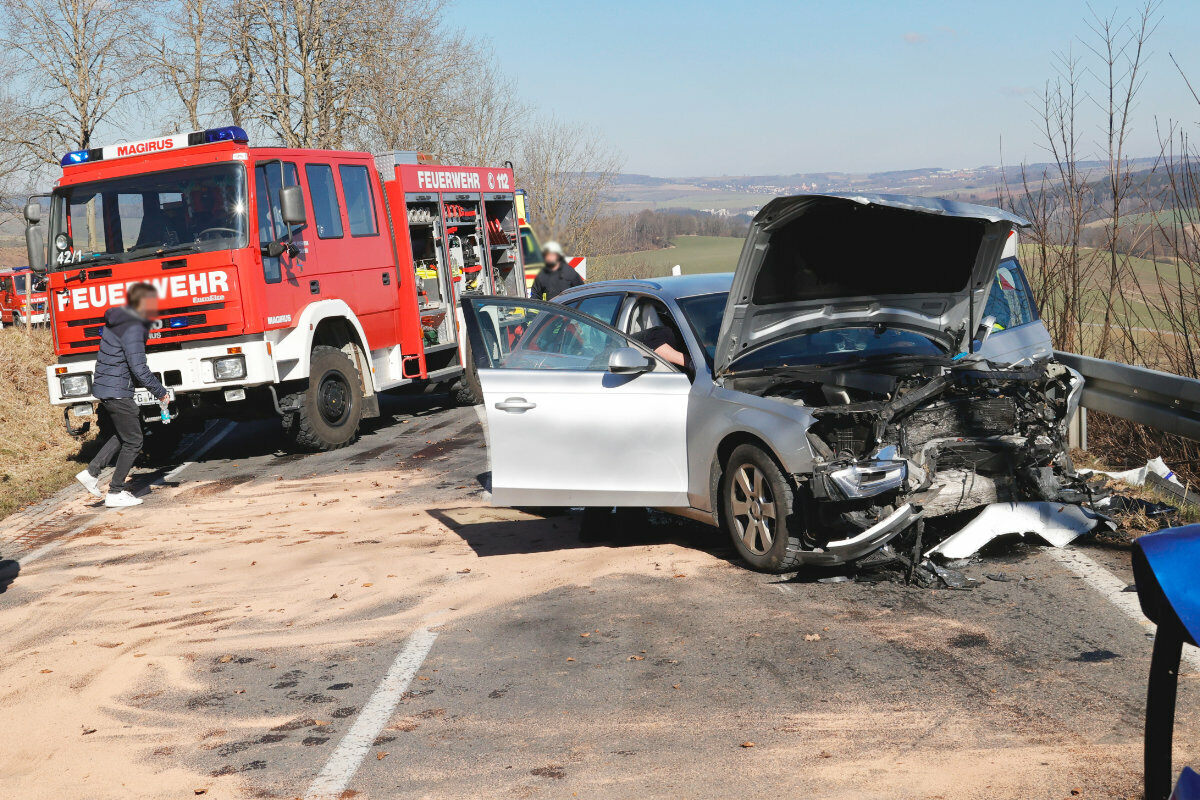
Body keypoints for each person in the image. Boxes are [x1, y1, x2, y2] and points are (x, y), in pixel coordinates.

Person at [76, 283, 170, 508]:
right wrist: (160, 392)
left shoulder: (119, 320)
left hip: (108, 387)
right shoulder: (133, 327)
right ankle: (115, 491)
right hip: (117, 390)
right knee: (134, 441)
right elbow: (139, 367)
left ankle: (91, 473)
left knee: (123, 434)